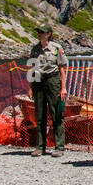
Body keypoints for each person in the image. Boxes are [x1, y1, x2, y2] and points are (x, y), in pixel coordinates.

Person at [28, 24, 68, 156]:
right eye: (38, 32)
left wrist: (63, 88)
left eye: (42, 32)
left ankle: (59, 147)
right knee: (39, 114)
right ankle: (40, 146)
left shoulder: (56, 48)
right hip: (38, 81)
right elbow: (32, 68)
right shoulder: (35, 49)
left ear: (49, 34)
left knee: (56, 112)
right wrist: (30, 87)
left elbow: (62, 68)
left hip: (52, 80)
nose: (39, 34)